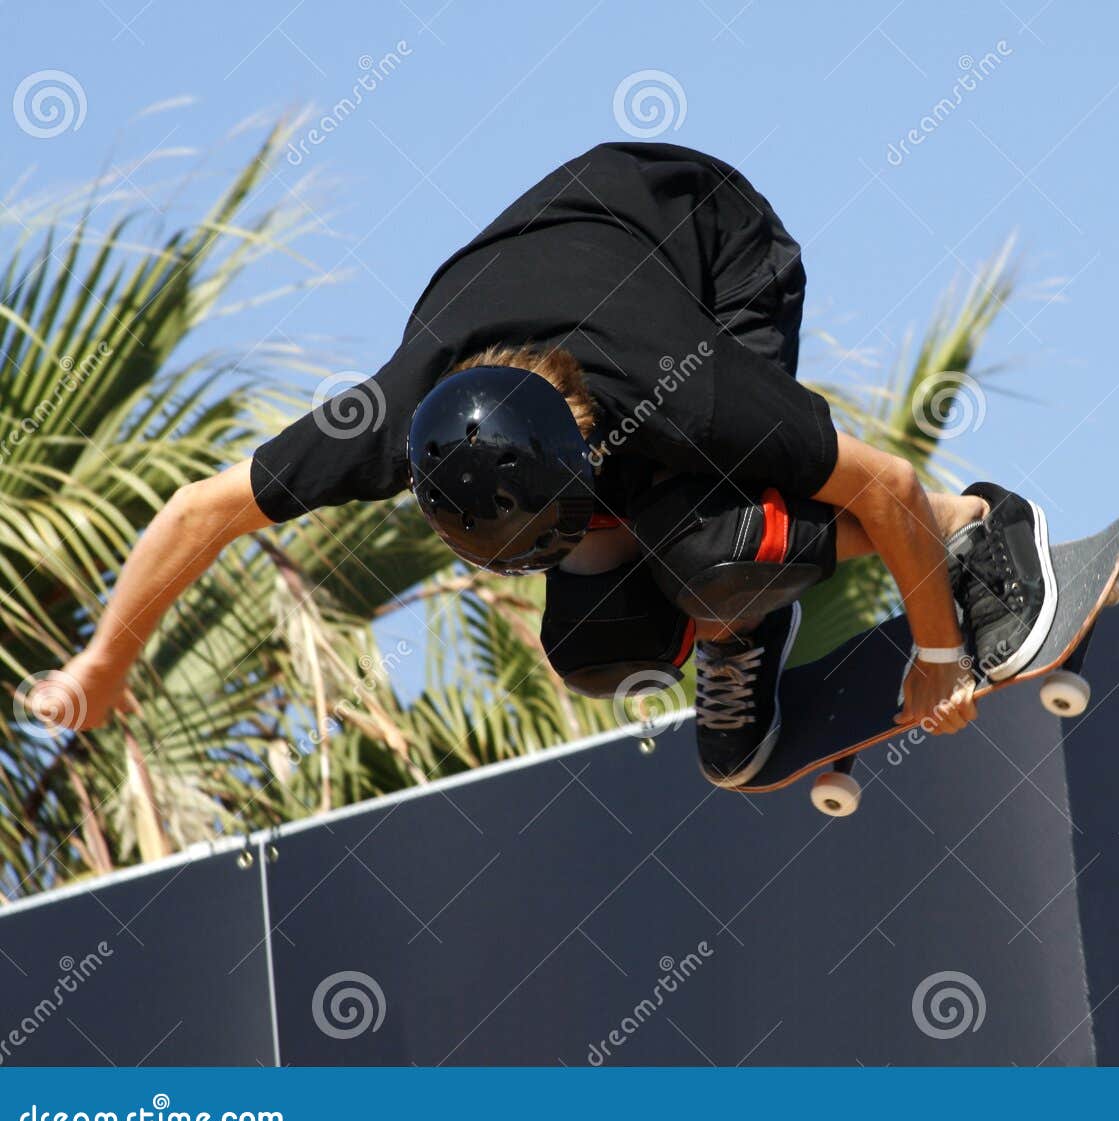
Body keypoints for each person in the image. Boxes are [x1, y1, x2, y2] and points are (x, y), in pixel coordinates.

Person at [27, 142, 1057, 786]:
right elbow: (197, 510)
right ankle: (742, 617)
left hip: (710, 242)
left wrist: (937, 658)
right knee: (596, 643)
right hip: (548, 259)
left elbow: (873, 482)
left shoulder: (689, 385)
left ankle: (974, 523)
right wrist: (102, 664)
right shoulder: (388, 420)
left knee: (711, 546)